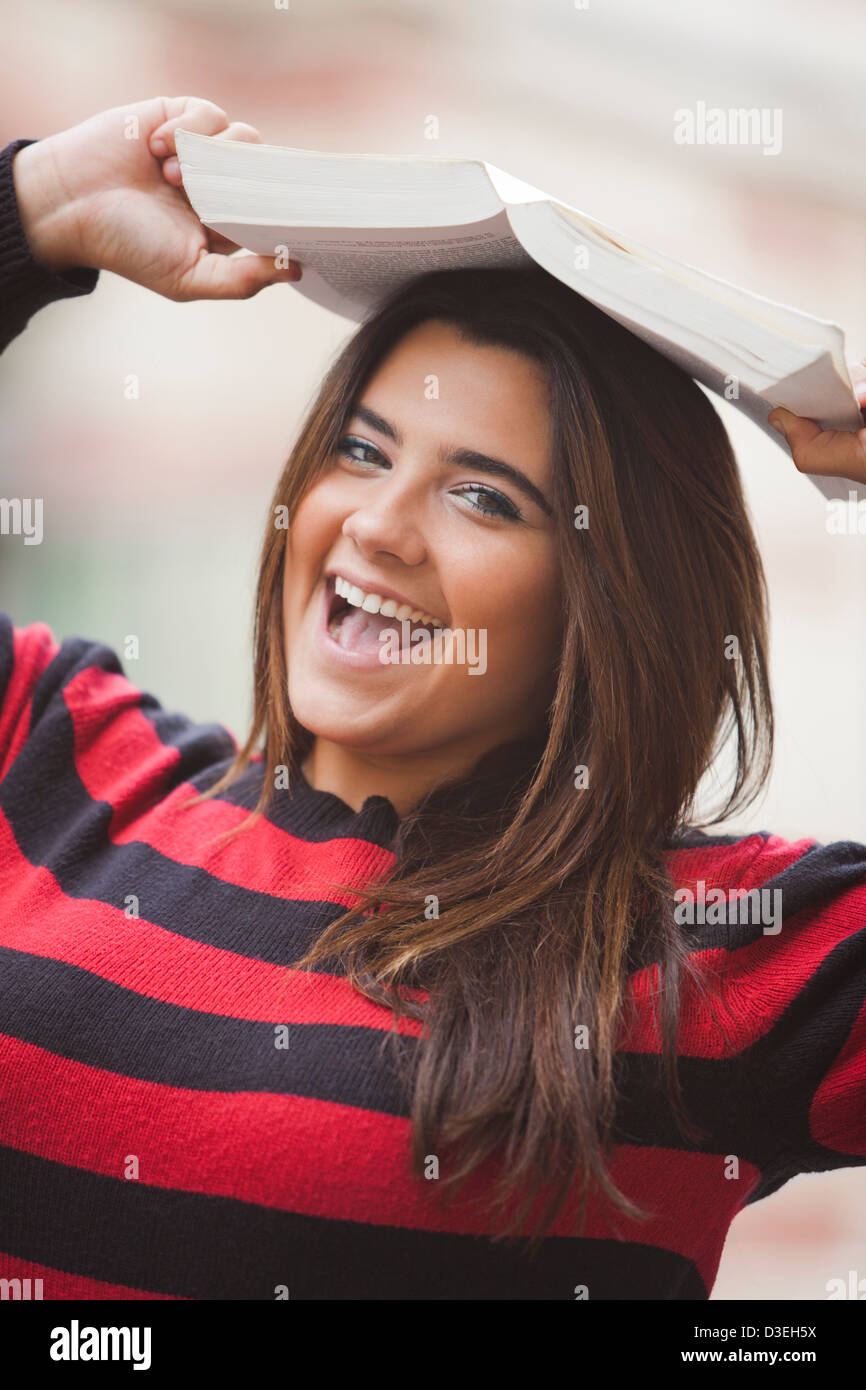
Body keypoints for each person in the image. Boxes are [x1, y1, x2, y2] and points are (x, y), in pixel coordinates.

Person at [1, 96, 864, 1302]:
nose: (378, 527)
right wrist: (33, 212)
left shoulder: (713, 951)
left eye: (484, 498)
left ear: (604, 604)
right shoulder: (52, 743)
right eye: (360, 451)